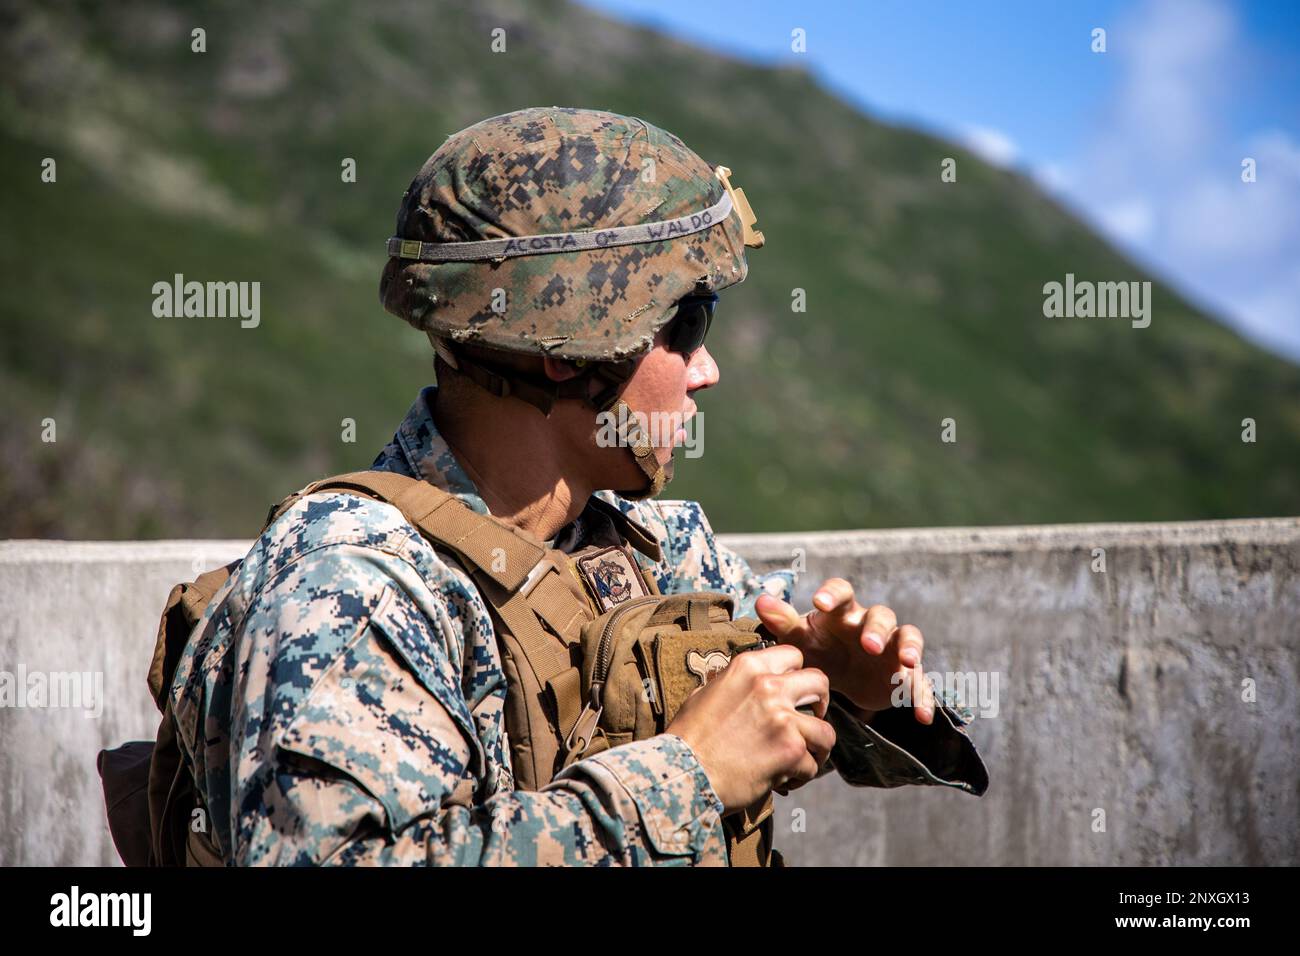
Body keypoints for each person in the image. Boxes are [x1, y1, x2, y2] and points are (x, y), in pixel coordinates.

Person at [169, 106, 987, 866]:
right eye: (687, 325)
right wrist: (689, 777)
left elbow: (864, 741)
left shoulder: (657, 549)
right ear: (574, 349)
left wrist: (857, 694)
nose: (706, 370)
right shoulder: (352, 584)